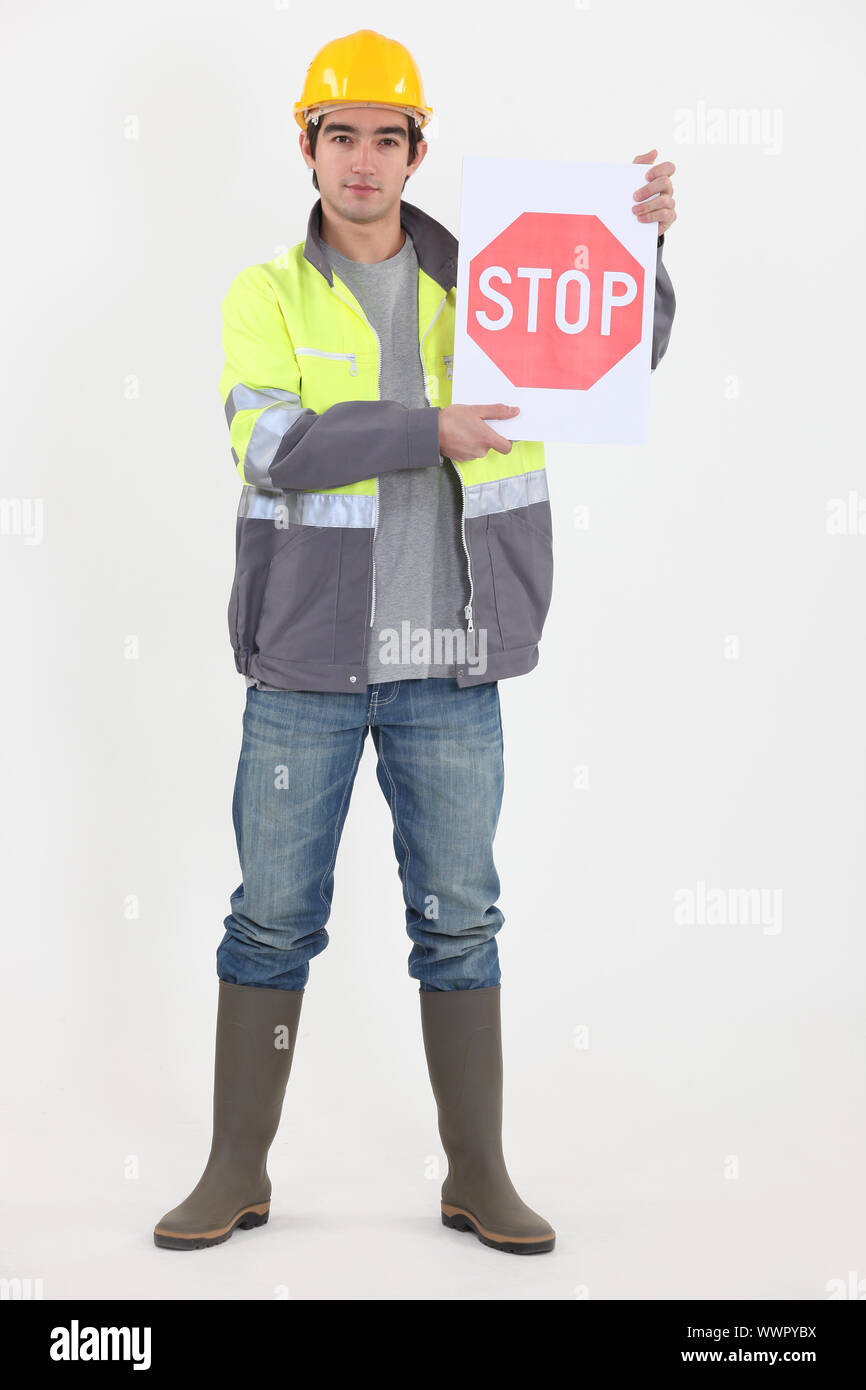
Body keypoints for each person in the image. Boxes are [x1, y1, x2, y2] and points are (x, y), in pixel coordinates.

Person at [153, 28, 677, 1256]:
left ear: (414, 150)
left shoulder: (494, 277)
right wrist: (424, 424)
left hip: (451, 659)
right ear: (309, 148)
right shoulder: (264, 294)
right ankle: (235, 1168)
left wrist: (641, 248)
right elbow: (275, 447)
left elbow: (622, 354)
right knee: (271, 919)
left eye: (387, 138)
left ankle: (477, 1174)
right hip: (304, 669)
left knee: (459, 920)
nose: (364, 161)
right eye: (342, 136)